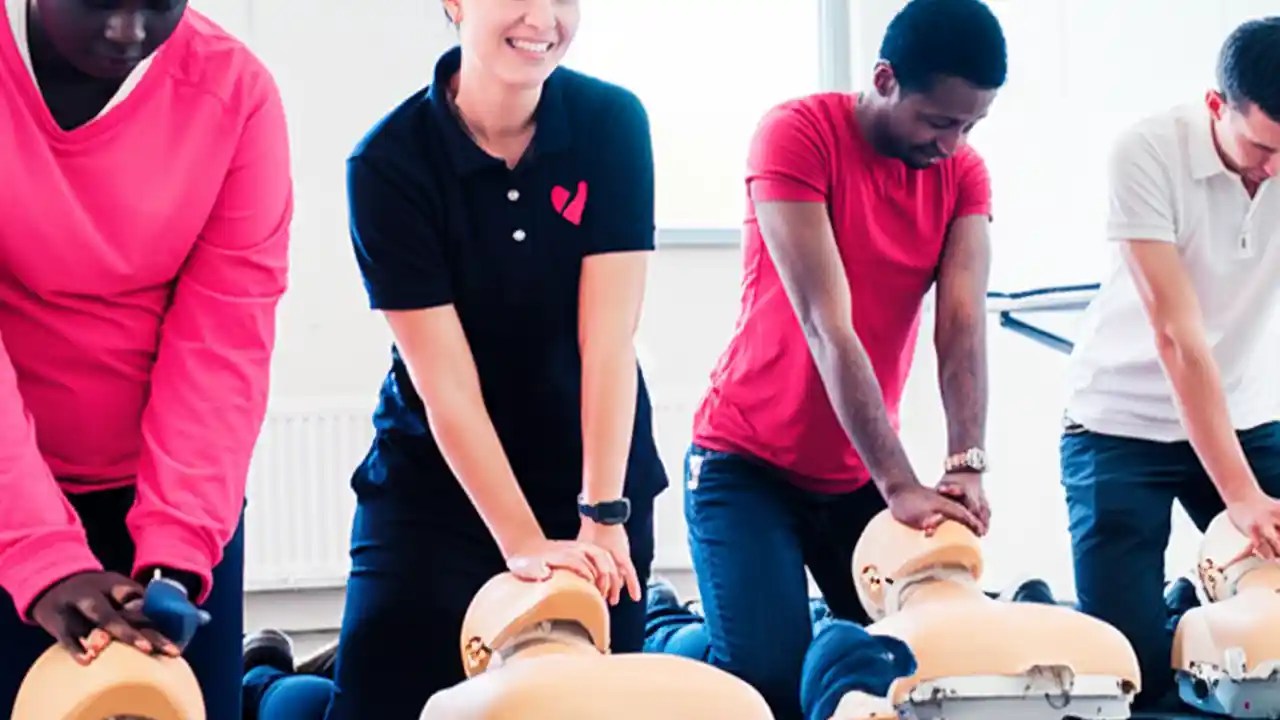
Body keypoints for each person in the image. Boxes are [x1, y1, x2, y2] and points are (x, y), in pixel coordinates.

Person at [240, 1, 667, 718]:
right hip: (434, 485)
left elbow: (607, 342)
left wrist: (600, 514)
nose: (543, 17)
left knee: (571, 702)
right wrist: (522, 544)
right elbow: (448, 388)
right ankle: (263, 679)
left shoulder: (611, 123)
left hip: (590, 479)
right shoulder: (388, 162)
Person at [641, 1, 1007, 717]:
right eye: (939, 122)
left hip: (851, 475)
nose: (953, 144)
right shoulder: (797, 133)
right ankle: (663, 626)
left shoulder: (964, 174)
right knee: (767, 688)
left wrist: (966, 463)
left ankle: (790, 622)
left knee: (914, 665)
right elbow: (824, 324)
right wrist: (901, 484)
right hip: (744, 464)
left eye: (970, 126)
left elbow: (962, 325)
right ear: (885, 79)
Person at [0, 0, 292, 717]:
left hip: (169, 490)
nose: (129, 32)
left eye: (159, 3)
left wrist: (175, 558)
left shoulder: (236, 95)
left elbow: (223, 341)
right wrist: (41, 557)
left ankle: (262, 684)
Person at [1060, 16, 1280, 711]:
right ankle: (1174, 616)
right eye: (1263, 148)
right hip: (1119, 426)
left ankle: (1190, 613)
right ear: (1217, 105)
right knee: (1129, 674)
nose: (1276, 169)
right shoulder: (1147, 151)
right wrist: (1240, 496)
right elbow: (1178, 337)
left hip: (1243, 413)